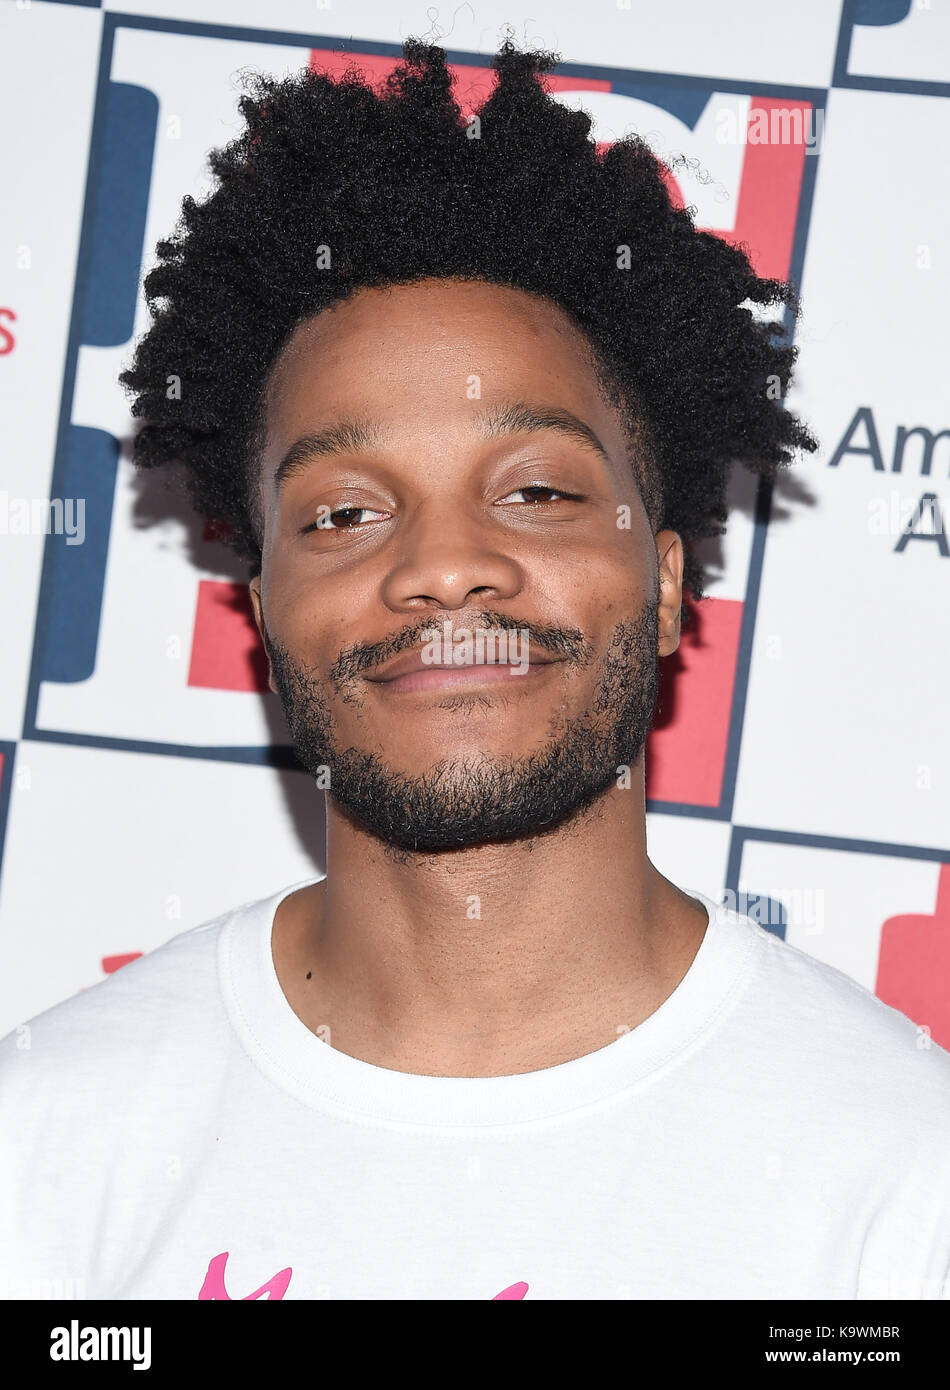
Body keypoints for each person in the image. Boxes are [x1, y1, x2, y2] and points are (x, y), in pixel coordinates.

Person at [1, 37, 947, 1302]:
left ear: (665, 585)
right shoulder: (46, 1153)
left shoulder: (900, 1186)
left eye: (539, 489)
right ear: (261, 609)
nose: (443, 567)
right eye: (342, 512)